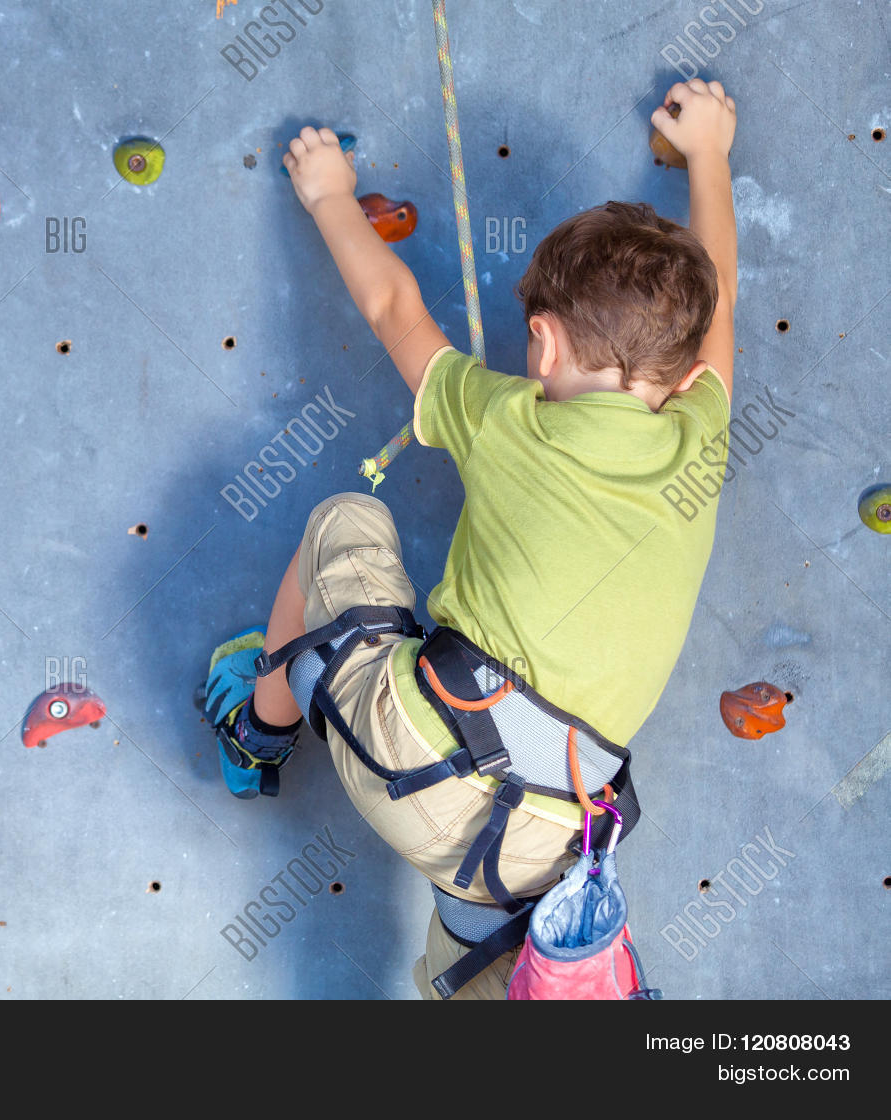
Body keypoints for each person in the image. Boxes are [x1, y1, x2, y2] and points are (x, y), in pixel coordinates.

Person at [203, 79, 738, 998]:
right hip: (529, 851)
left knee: (344, 521)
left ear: (541, 346)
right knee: (491, 953)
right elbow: (718, 314)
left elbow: (394, 313)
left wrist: (329, 191)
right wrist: (711, 156)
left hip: (415, 761)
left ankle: (258, 732)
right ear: (687, 376)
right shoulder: (703, 438)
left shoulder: (508, 419)